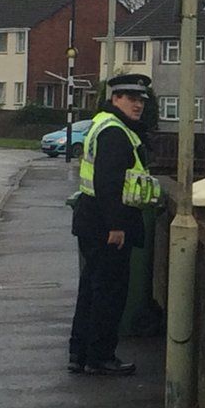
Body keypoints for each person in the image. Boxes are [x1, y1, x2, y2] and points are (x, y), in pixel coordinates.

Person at [69, 73, 159, 375]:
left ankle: (79, 355)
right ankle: (101, 357)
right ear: (116, 98)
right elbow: (108, 182)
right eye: (131, 99)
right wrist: (117, 226)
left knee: (91, 291)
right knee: (108, 293)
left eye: (141, 100)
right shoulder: (116, 132)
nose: (138, 105)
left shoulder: (104, 125)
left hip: (91, 218)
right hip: (107, 225)